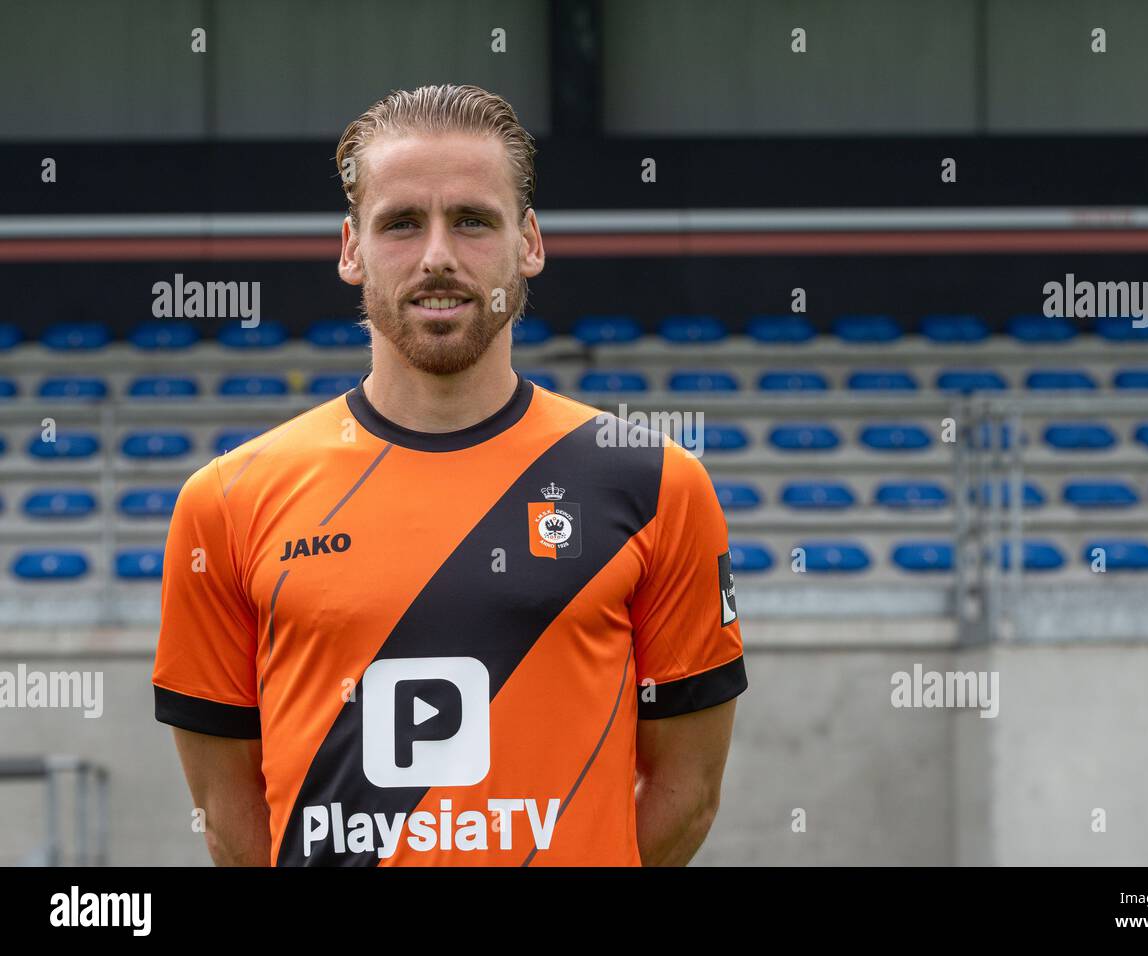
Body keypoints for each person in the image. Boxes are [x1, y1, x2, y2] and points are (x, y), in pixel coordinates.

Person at [152, 84, 747, 866]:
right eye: (401, 223)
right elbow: (228, 814)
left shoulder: (652, 483)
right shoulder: (226, 503)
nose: (437, 256)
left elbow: (688, 791)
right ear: (350, 248)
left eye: (472, 220)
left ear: (527, 242)